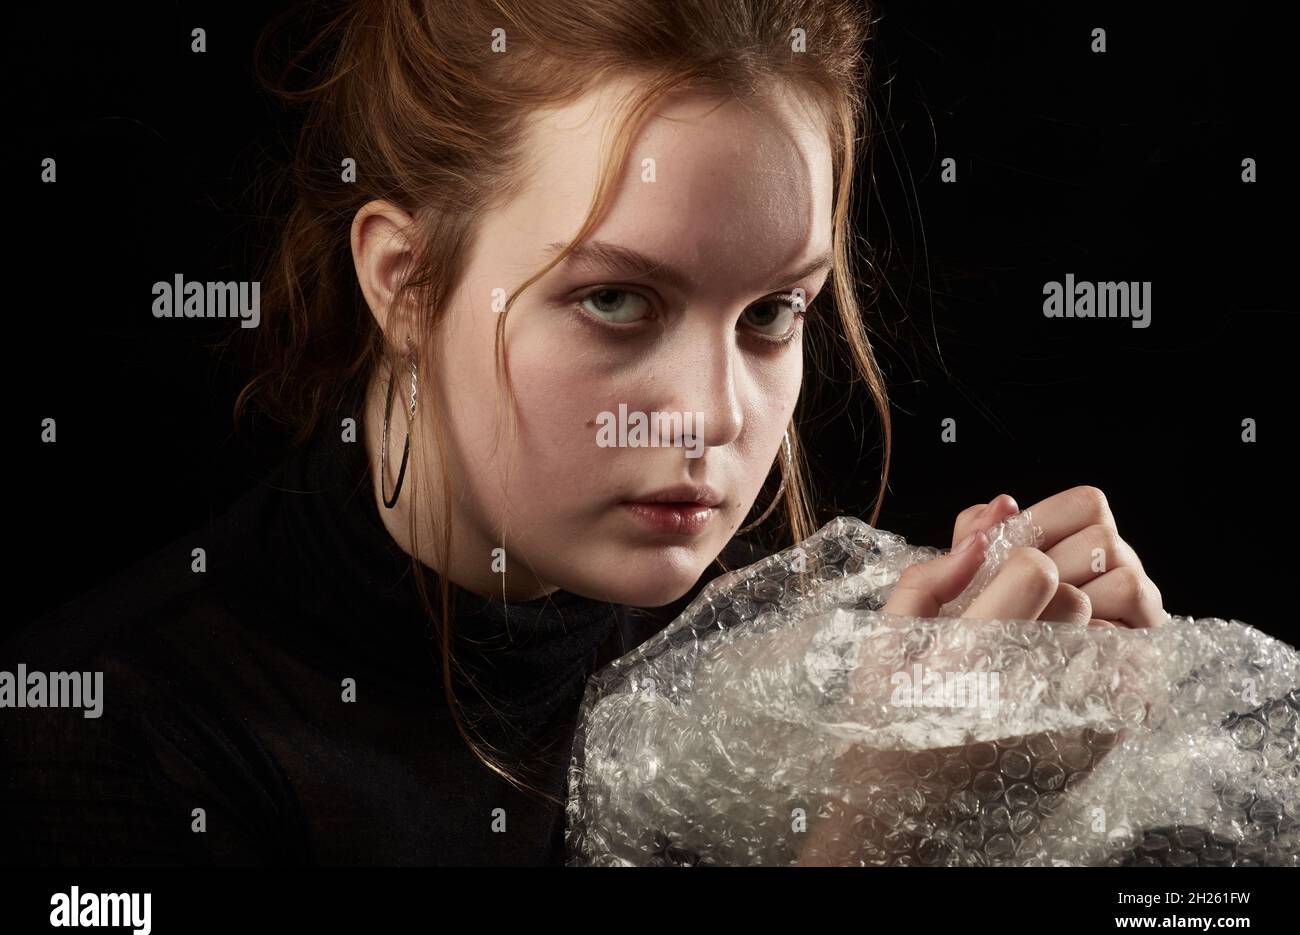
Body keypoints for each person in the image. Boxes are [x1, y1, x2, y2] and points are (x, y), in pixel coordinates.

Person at [0, 0, 1165, 865]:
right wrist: (875, 835)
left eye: (771, 313)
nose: (710, 414)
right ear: (404, 283)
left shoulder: (795, 666)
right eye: (615, 300)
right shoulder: (103, 749)